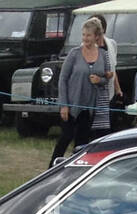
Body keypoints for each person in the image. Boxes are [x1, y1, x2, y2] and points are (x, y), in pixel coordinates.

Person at [50, 17, 114, 165]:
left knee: (82, 143)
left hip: (89, 107)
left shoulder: (103, 54)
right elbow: (63, 79)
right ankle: (51, 168)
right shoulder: (74, 53)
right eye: (84, 35)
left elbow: (107, 77)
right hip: (72, 104)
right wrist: (64, 105)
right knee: (65, 137)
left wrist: (99, 80)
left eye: (89, 35)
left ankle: (76, 170)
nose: (85, 38)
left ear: (96, 36)